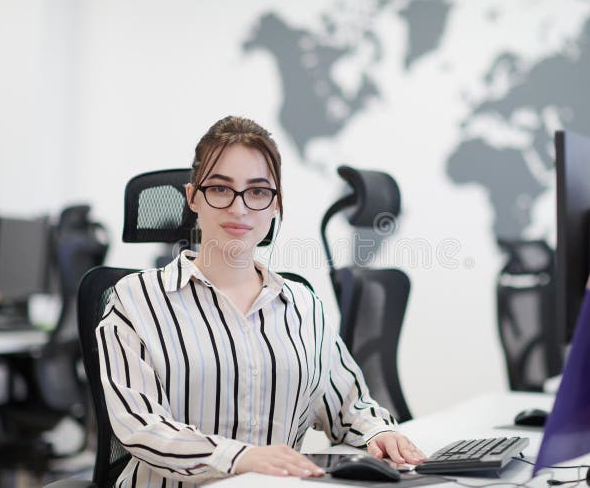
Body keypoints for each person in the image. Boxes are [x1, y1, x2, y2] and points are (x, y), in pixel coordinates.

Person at [97, 116, 425, 487]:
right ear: (193, 198)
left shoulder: (303, 305)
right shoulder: (134, 299)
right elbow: (140, 426)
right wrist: (239, 458)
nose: (239, 209)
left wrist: (378, 433)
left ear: (275, 204)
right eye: (220, 189)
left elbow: (349, 407)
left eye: (257, 192)